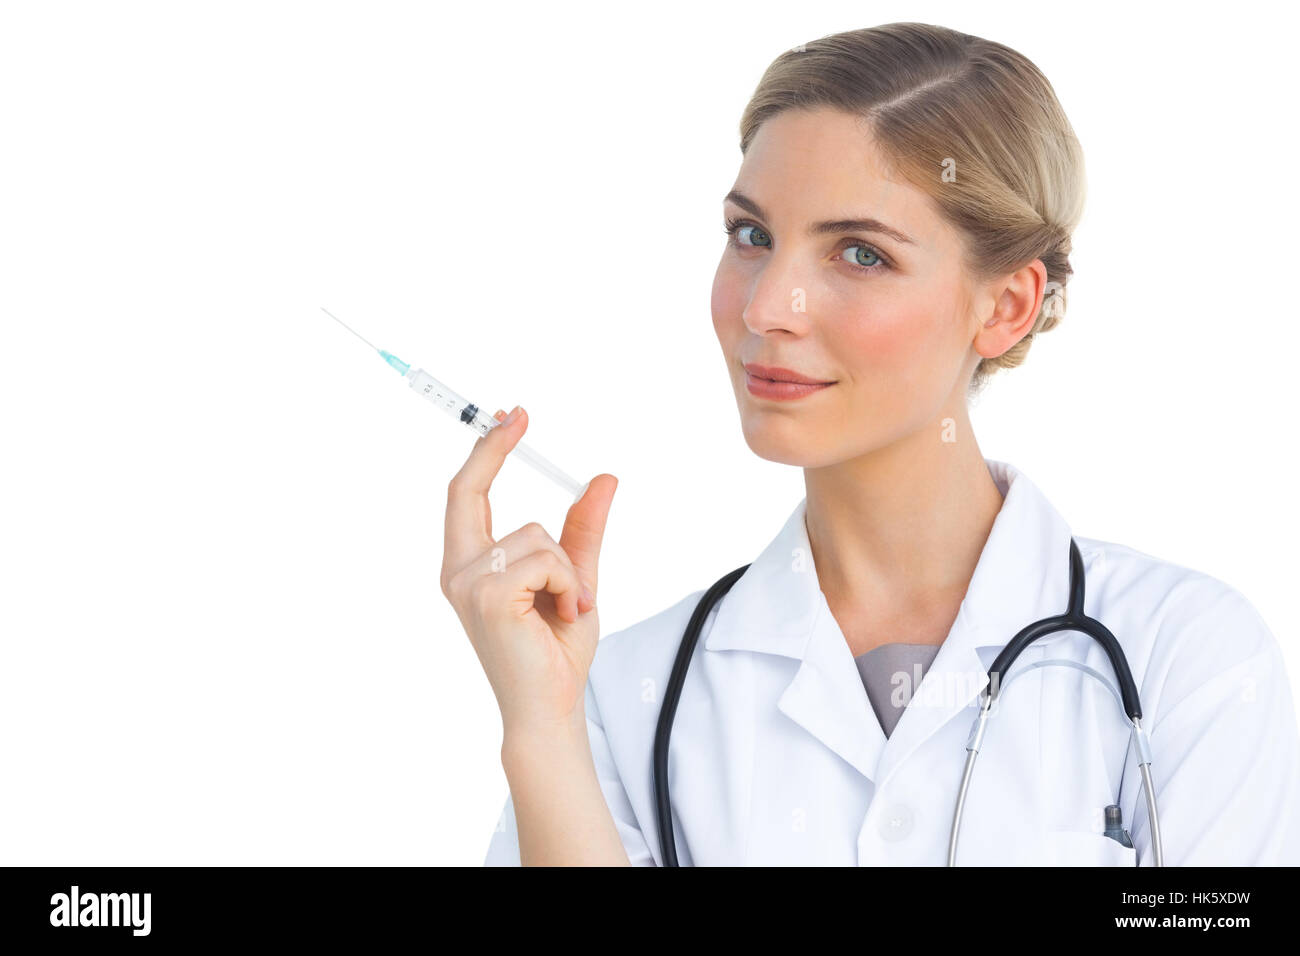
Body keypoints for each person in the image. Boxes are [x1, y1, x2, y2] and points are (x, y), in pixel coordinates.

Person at [440, 22, 1300, 865]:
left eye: (858, 253)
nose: (768, 307)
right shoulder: (624, 695)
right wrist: (542, 731)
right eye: (752, 236)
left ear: (1004, 306)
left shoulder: (1184, 657)